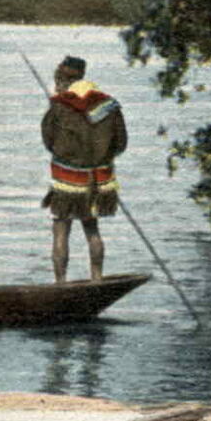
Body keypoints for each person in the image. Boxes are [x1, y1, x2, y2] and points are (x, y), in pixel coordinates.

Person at [41, 55, 127, 283]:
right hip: (99, 178)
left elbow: (48, 140)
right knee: (92, 229)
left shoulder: (59, 105)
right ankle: (97, 278)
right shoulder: (109, 105)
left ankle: (60, 283)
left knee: (61, 229)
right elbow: (121, 144)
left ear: (61, 79)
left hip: (67, 179)